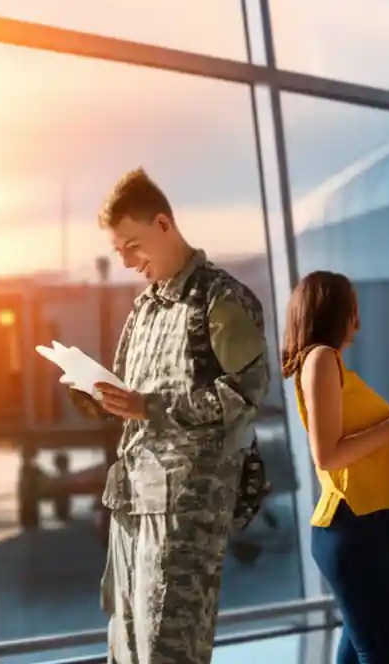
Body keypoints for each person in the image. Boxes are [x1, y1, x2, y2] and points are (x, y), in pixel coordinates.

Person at [91, 168, 271, 664]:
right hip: (133, 504)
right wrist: (103, 396)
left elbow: (248, 390)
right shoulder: (145, 309)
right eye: (118, 251)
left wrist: (152, 408)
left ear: (164, 225)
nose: (127, 261)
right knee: (126, 651)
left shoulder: (220, 299)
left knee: (169, 652)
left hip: (185, 513)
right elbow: (132, 395)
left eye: (133, 245)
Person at [282, 270, 389, 664]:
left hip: (377, 523)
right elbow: (329, 455)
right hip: (355, 525)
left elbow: (365, 437)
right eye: (353, 305)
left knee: (360, 652)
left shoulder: (334, 365)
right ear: (338, 310)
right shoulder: (321, 359)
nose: (359, 317)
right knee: (382, 654)